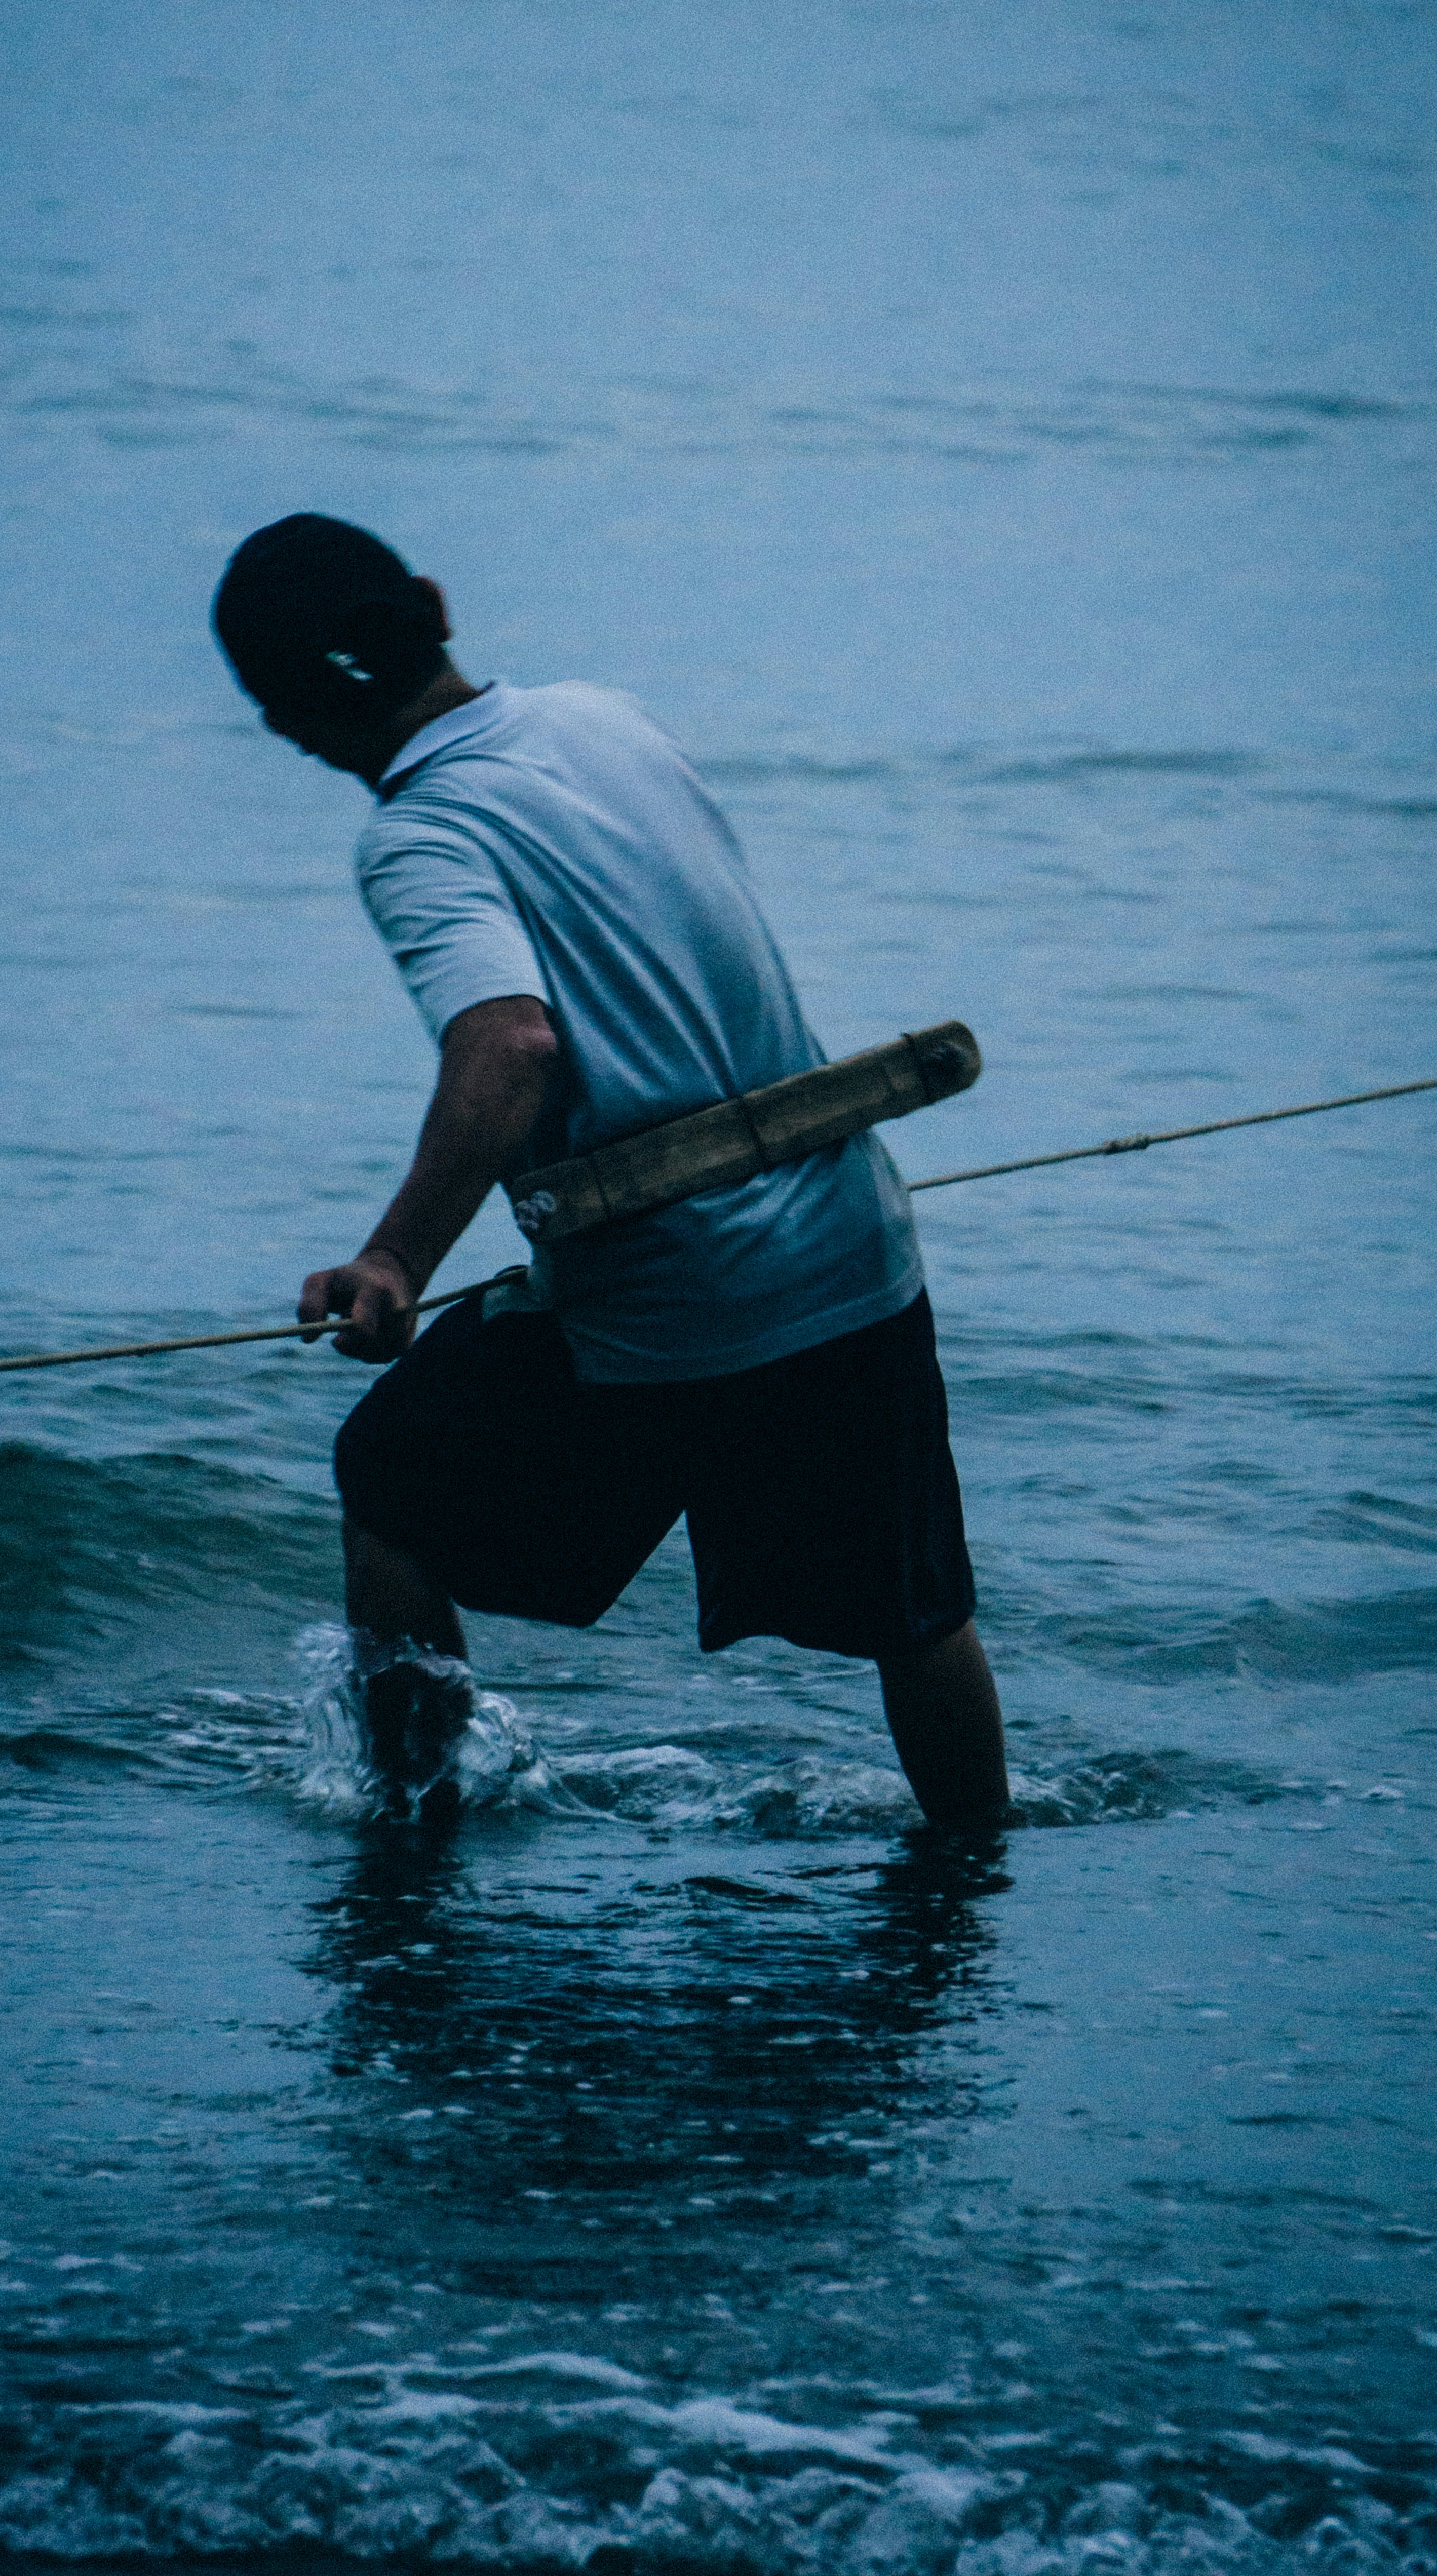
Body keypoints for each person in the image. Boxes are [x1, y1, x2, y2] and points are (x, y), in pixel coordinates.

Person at [212, 513, 1009, 1829]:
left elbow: (510, 1045)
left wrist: (396, 1259)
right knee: (914, 1612)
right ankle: (978, 1873)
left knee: (391, 1481)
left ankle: (413, 1832)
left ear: (286, 719)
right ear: (432, 601)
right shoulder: (605, 719)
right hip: (851, 1244)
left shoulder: (420, 836)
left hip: (675, 1297)